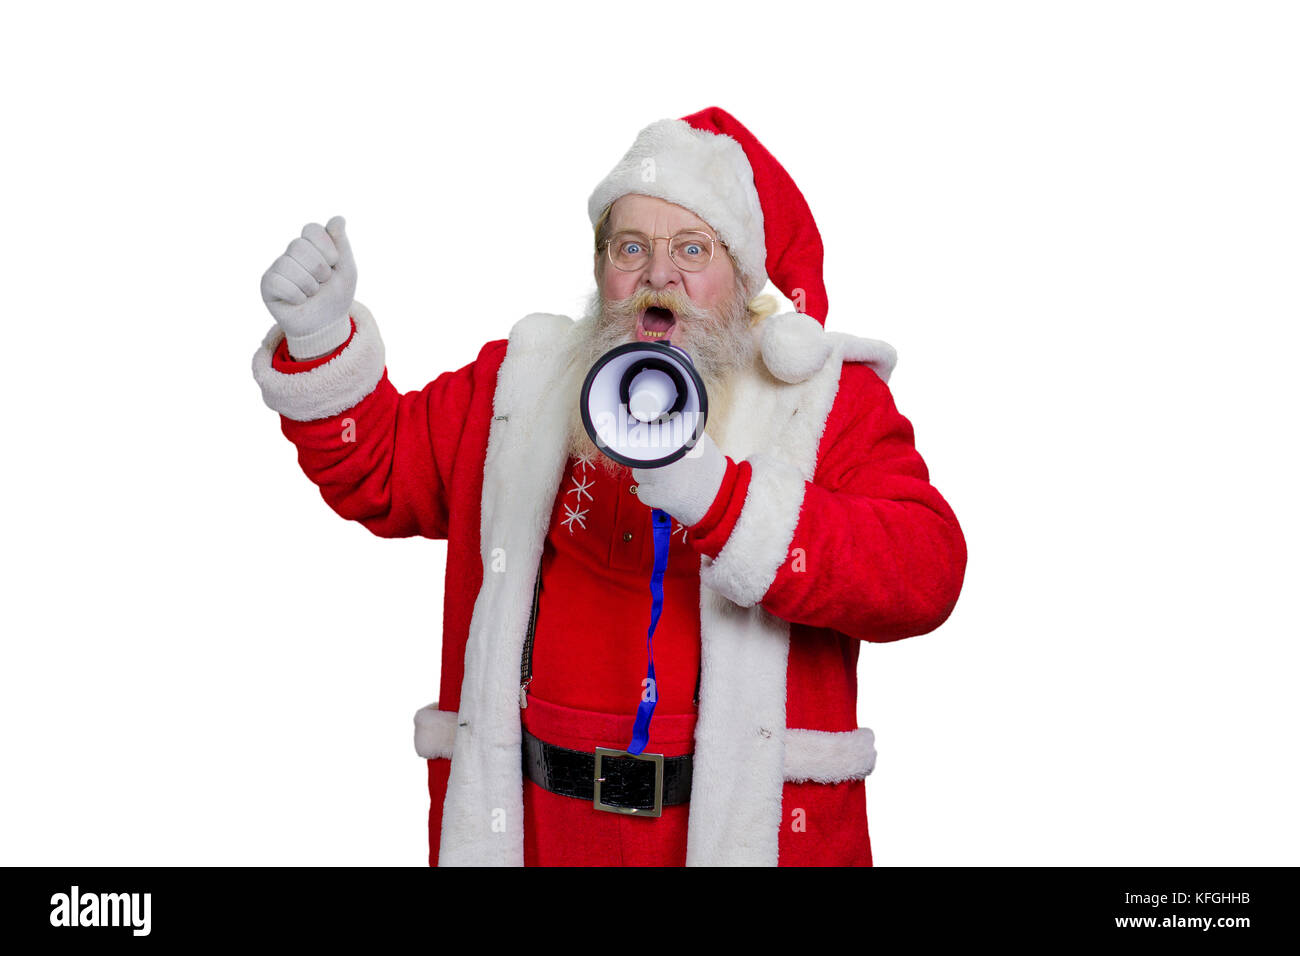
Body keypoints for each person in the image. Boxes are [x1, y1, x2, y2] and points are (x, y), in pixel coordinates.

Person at [251, 106, 967, 866]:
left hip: (739, 837)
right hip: (539, 833)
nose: (660, 274)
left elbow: (925, 572)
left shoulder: (819, 402)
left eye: (693, 248)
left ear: (742, 278)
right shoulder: (521, 384)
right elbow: (380, 470)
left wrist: (722, 500)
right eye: (632, 247)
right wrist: (321, 336)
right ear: (601, 272)